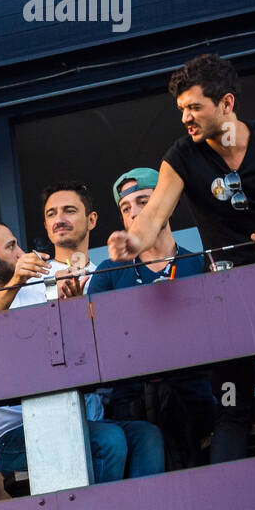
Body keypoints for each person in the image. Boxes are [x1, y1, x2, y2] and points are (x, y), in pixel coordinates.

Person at [107, 54, 255, 462]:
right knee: (231, 412)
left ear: (227, 104)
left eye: (195, 107)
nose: (186, 117)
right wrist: (132, 242)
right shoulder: (183, 155)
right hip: (229, 295)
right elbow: (152, 216)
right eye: (181, 109)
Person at [0, 221, 164, 483]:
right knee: (109, 440)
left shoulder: (35, 289)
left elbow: (73, 344)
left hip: (72, 416)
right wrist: (16, 282)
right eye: (11, 246)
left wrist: (73, 308)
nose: (22, 253)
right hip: (13, 434)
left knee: (146, 436)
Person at [88, 167, 213, 468]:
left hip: (196, 398)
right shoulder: (108, 271)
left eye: (144, 201)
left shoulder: (200, 263)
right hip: (131, 402)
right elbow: (97, 340)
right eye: (125, 208)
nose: (134, 213)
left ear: (165, 204)